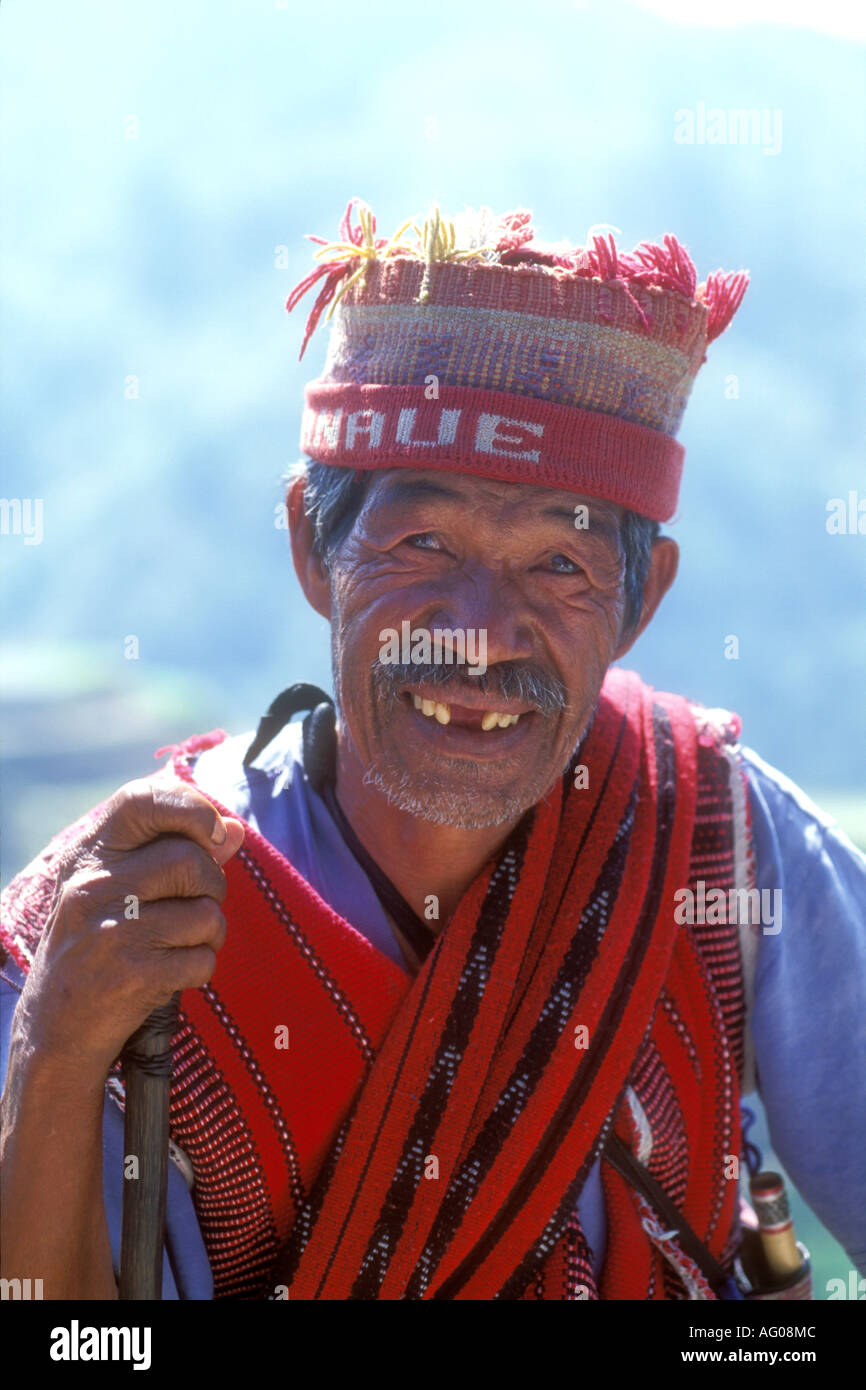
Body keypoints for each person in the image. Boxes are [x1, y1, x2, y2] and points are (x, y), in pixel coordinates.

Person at [2, 199, 864, 1301]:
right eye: (423, 543)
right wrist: (57, 1055)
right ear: (315, 551)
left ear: (640, 599)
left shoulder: (706, 836)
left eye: (558, 562)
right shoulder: (125, 921)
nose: (479, 631)